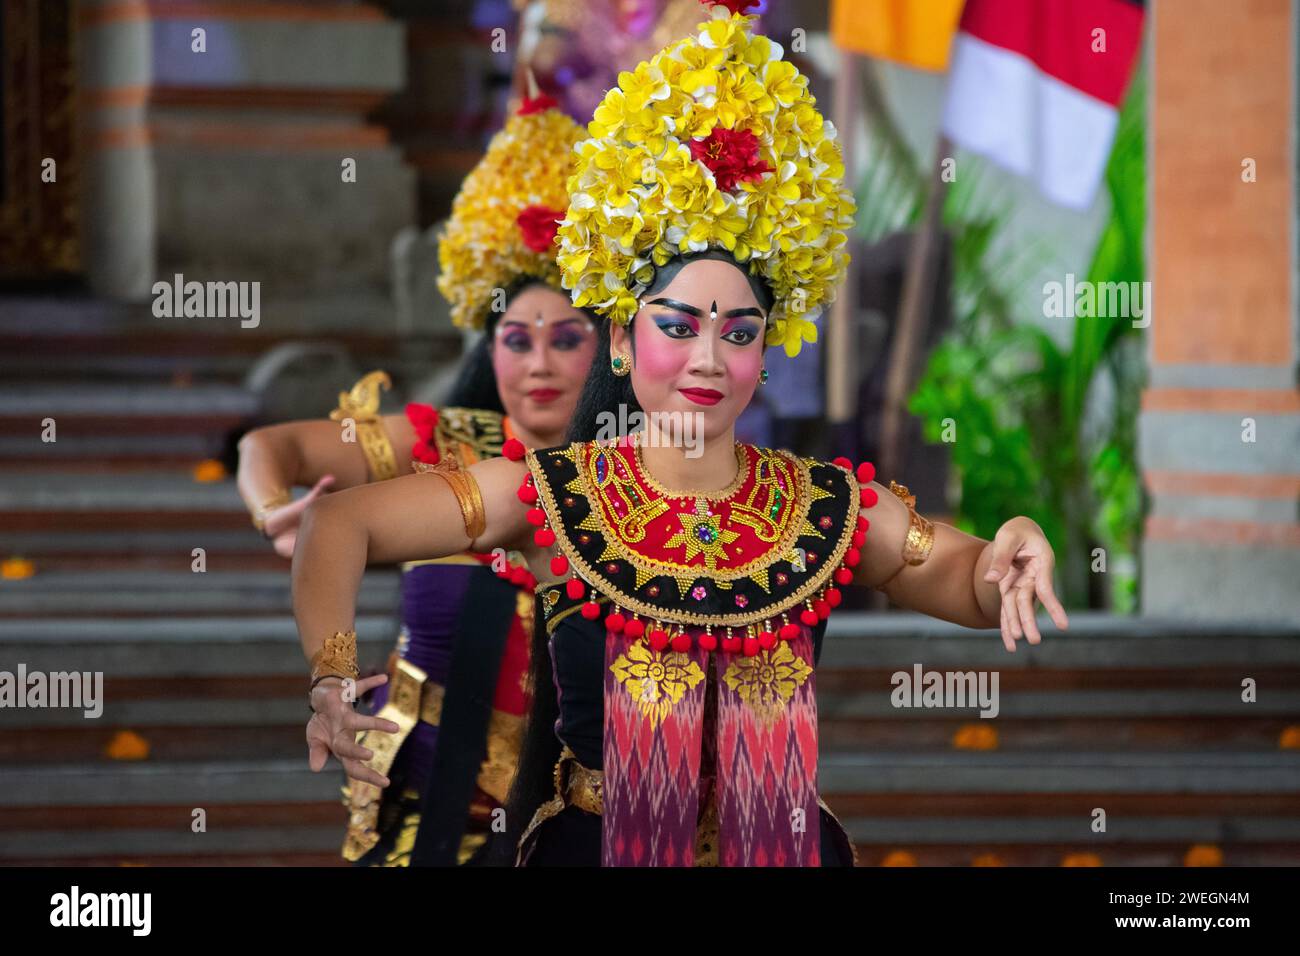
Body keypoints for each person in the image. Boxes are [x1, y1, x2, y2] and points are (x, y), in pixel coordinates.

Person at [290, 0, 1069, 867]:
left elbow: (965, 577)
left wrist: (1014, 541)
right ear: (621, 338)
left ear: (765, 350)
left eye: (739, 331)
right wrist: (330, 678)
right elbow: (339, 524)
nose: (708, 357)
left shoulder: (823, 507)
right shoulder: (554, 496)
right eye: (678, 326)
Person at [237, 90, 596, 865]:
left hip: (580, 814)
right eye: (516, 340)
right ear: (487, 349)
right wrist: (276, 508)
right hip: (433, 804)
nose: (539, 363)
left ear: (609, 351)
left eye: (568, 340)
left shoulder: (635, 476)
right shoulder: (441, 446)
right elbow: (273, 447)